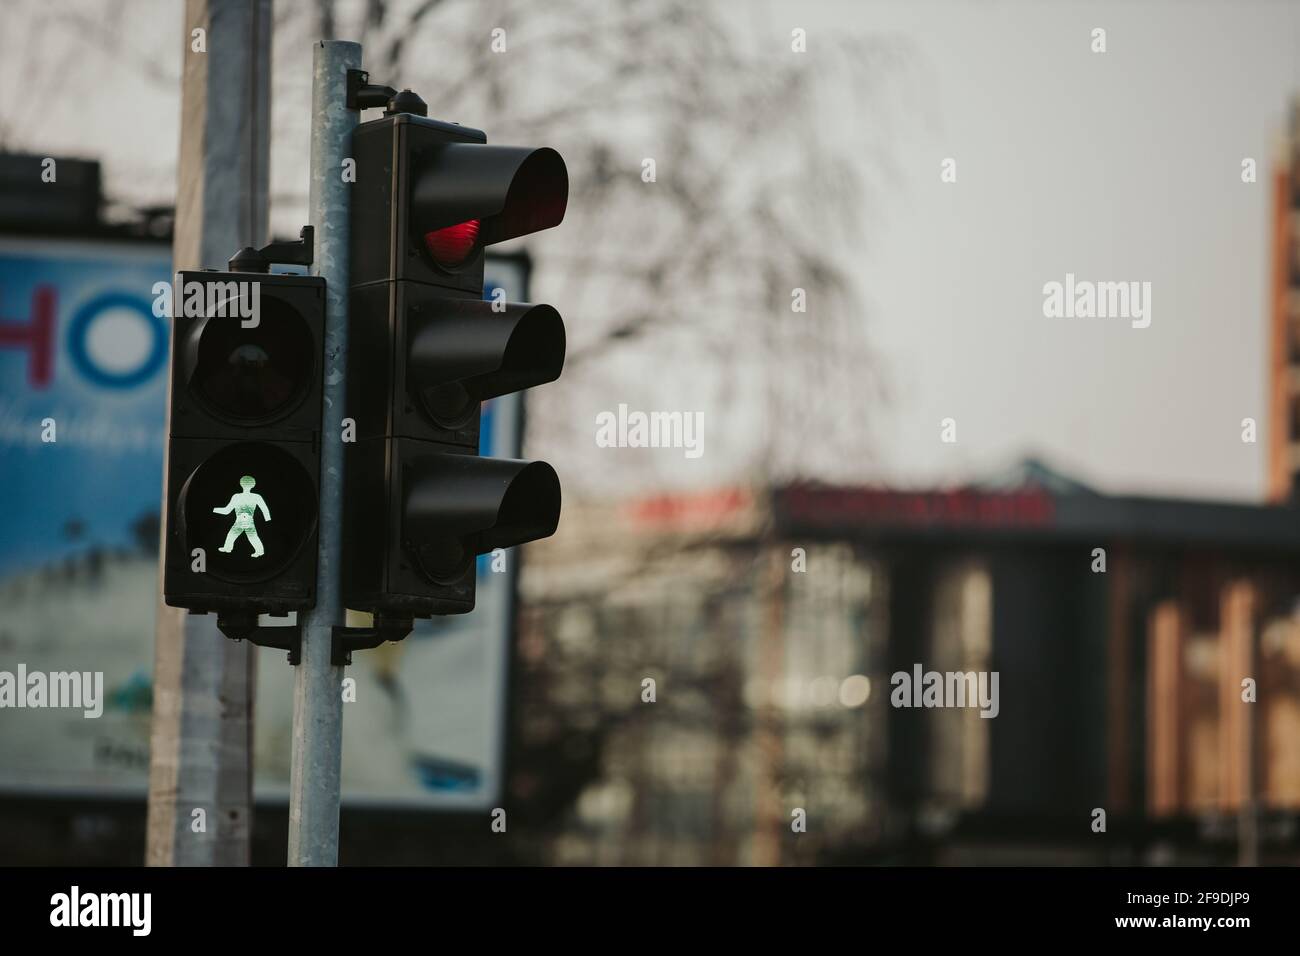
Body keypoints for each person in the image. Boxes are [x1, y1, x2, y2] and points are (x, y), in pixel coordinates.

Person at [213, 475, 271, 558]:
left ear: (241, 484)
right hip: (248, 521)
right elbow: (265, 509)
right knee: (251, 536)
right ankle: (259, 551)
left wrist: (214, 509)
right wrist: (268, 520)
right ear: (253, 485)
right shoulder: (256, 497)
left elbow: (226, 511)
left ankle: (228, 548)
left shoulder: (236, 496)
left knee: (233, 535)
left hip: (240, 521)